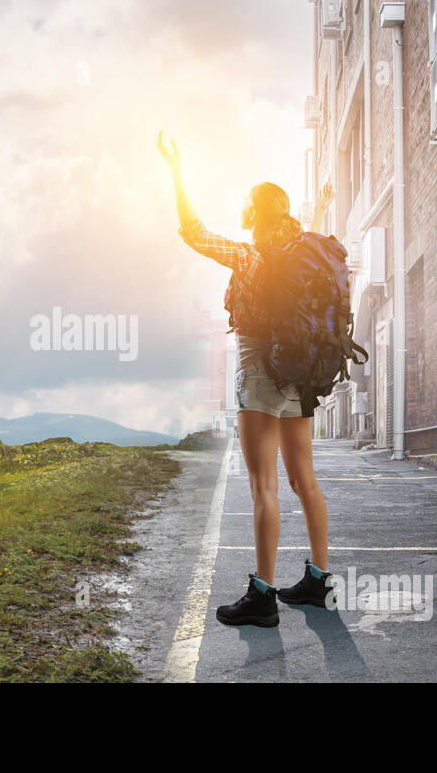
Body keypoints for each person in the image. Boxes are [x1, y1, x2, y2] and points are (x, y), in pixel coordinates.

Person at [158, 131, 335, 628]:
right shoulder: (303, 255)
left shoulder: (249, 256)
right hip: (299, 376)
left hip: (259, 371)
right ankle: (319, 581)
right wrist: (319, 210)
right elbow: (308, 249)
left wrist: (175, 168)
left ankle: (262, 597)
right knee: (306, 482)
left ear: (253, 214)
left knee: (264, 487)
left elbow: (193, 232)